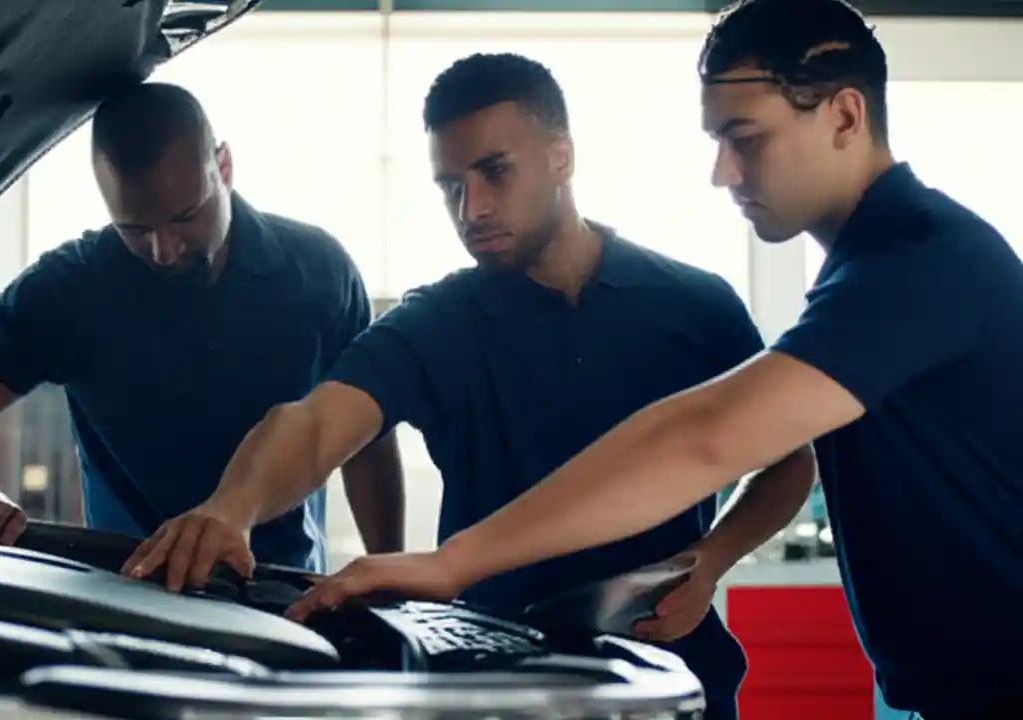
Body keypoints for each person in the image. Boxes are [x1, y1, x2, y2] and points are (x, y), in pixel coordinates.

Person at [277, 2, 1023, 719]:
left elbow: (708, 435)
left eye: (747, 139)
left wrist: (454, 563)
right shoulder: (863, 270)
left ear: (845, 116)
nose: (723, 174)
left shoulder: (918, 260)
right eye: (717, 144)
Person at [122, 54, 817, 719]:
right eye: (450, 186)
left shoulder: (695, 307)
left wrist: (710, 559)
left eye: (494, 172)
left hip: (669, 675)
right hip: (490, 688)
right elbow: (316, 422)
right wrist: (232, 505)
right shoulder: (441, 322)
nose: (471, 208)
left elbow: (789, 461)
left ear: (561, 156)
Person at [0, 81, 404, 575]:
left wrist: (389, 581)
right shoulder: (71, 289)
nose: (164, 250)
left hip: (281, 592)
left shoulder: (320, 271)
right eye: (134, 228)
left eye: (185, 217)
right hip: (125, 595)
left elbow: (370, 437)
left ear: (223, 167)